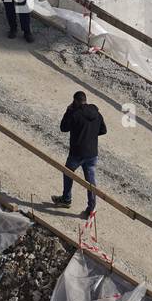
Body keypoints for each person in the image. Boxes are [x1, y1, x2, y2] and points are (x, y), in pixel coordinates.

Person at [51, 91, 107, 219]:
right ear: (85, 100)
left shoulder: (75, 114)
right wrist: (90, 135)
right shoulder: (97, 114)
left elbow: (63, 127)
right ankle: (91, 208)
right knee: (90, 182)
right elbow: (103, 130)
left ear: (75, 101)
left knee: (68, 172)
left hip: (77, 153)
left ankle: (66, 199)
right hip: (92, 154)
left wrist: (68, 111)